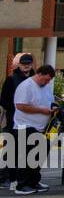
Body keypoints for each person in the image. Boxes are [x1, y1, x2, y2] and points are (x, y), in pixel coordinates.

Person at [11, 64, 56, 194]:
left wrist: (53, 108)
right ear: (39, 74)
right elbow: (20, 106)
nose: (47, 82)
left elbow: (49, 101)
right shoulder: (26, 86)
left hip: (40, 128)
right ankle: (21, 184)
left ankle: (33, 181)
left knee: (42, 150)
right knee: (29, 155)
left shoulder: (46, 87)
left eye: (49, 80)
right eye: (46, 79)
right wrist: (42, 110)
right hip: (25, 125)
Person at [1, 53, 33, 189]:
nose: (26, 66)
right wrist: (16, 109)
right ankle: (6, 177)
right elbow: (3, 100)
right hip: (14, 119)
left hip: (30, 119)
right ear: (19, 65)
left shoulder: (34, 79)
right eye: (23, 63)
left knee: (27, 149)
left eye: (28, 63)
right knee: (12, 148)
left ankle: (25, 178)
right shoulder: (11, 79)